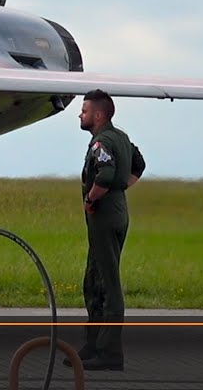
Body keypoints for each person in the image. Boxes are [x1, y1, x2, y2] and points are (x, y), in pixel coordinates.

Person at [66, 89, 146, 372]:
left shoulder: (102, 142)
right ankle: (93, 344)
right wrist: (121, 189)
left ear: (98, 115)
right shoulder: (121, 138)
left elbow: (107, 173)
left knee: (108, 284)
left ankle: (111, 352)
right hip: (115, 214)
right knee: (94, 279)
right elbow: (139, 164)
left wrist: (92, 198)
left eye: (84, 110)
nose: (80, 114)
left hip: (104, 217)